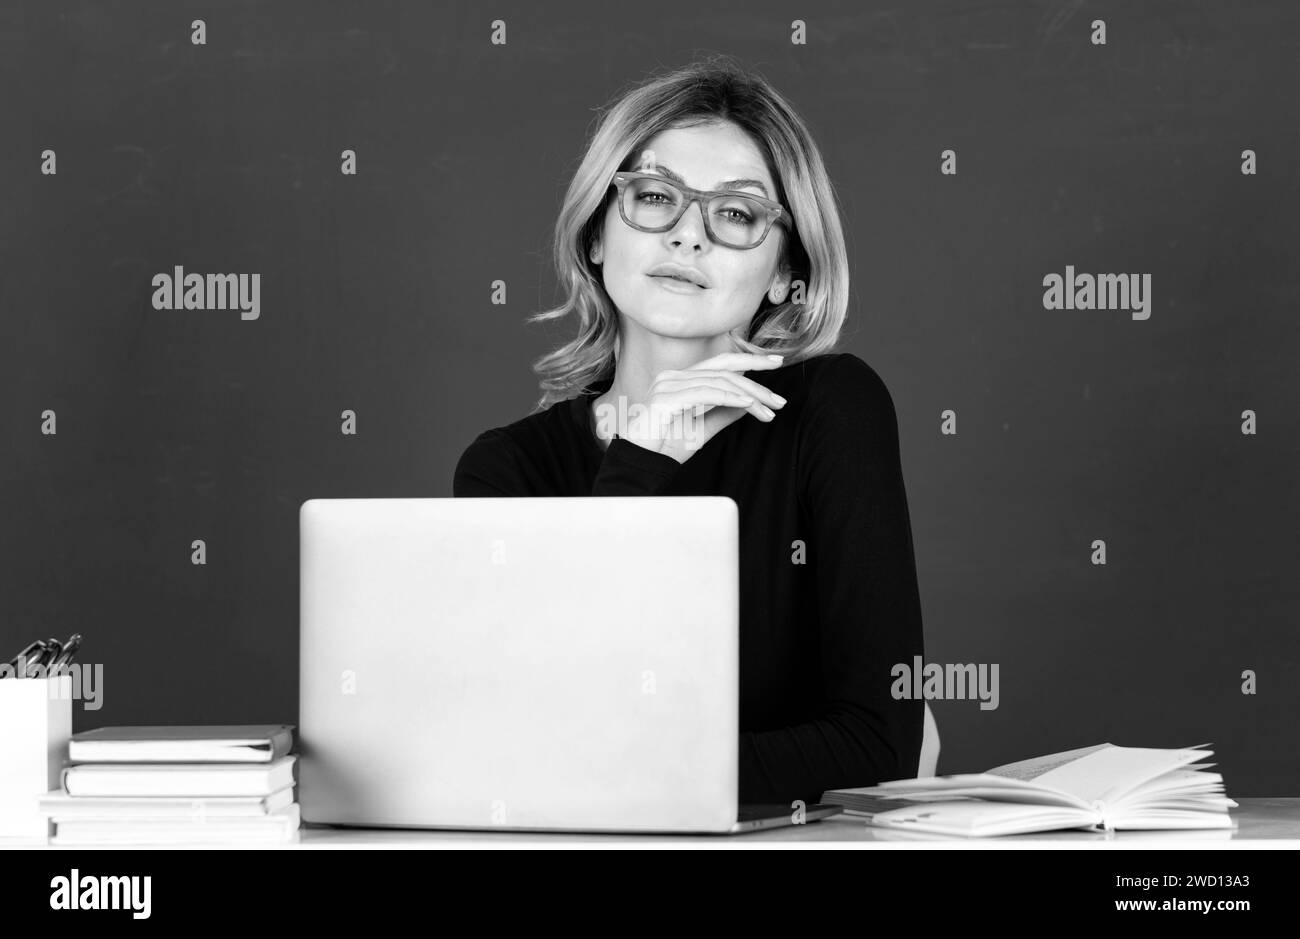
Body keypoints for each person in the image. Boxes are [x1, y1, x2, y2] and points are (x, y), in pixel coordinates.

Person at [454, 55, 924, 807]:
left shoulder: (834, 409)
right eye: (653, 197)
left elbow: (878, 743)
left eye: (735, 213)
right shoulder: (507, 469)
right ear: (598, 235)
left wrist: (617, 776)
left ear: (782, 272)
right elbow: (536, 734)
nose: (688, 237)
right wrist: (641, 460)